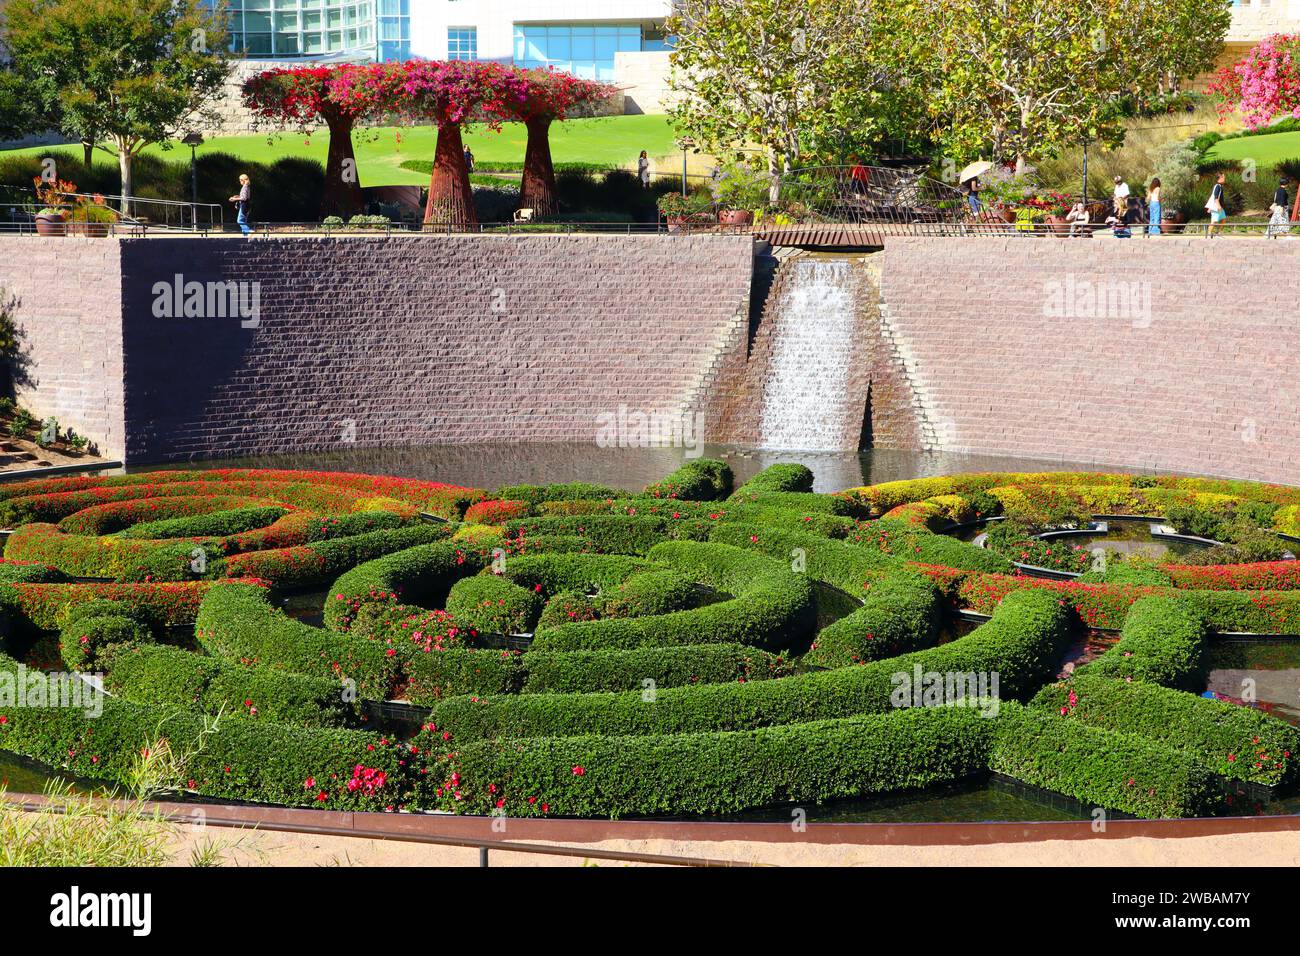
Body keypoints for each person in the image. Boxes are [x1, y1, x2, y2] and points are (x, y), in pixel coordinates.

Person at [1205, 172, 1227, 237]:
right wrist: (1218, 206)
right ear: (1220, 178)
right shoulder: (1217, 186)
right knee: (1214, 221)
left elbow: (1212, 196)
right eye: (1223, 177)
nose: (1224, 179)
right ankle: (1209, 234)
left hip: (1218, 206)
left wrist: (1210, 207)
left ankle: (1219, 233)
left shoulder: (1219, 186)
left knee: (1223, 219)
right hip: (1216, 207)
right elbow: (1215, 197)